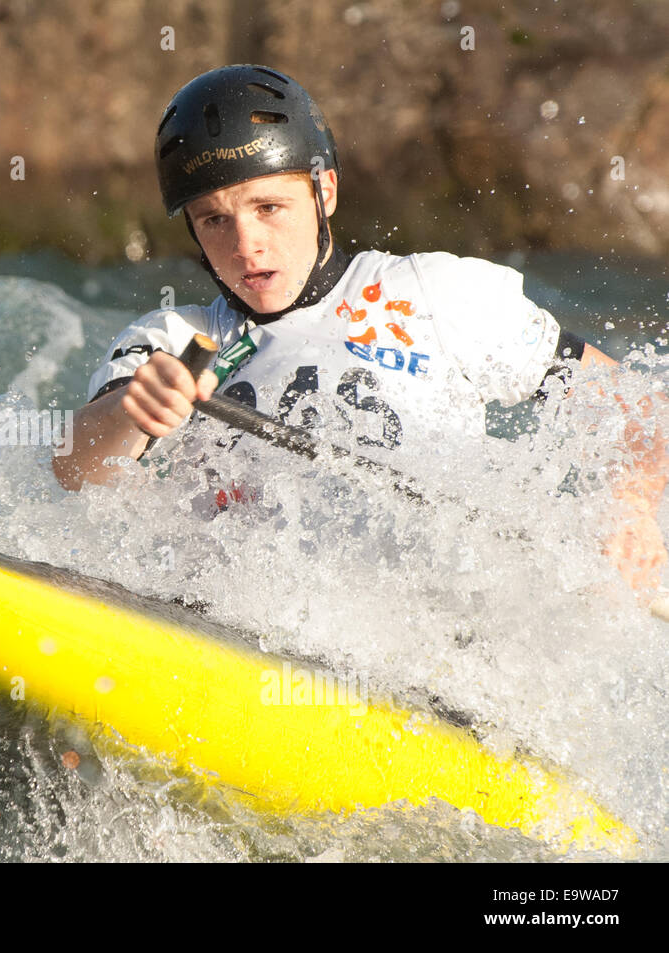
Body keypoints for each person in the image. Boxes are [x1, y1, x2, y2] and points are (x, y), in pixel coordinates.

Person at [52, 64, 666, 593]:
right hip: (230, 619)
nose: (246, 245)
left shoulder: (439, 293)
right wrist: (133, 411)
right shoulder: (174, 341)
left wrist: (633, 508)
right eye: (213, 220)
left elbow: (638, 410)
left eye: (269, 208)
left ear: (326, 191)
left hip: (428, 627)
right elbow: (73, 469)